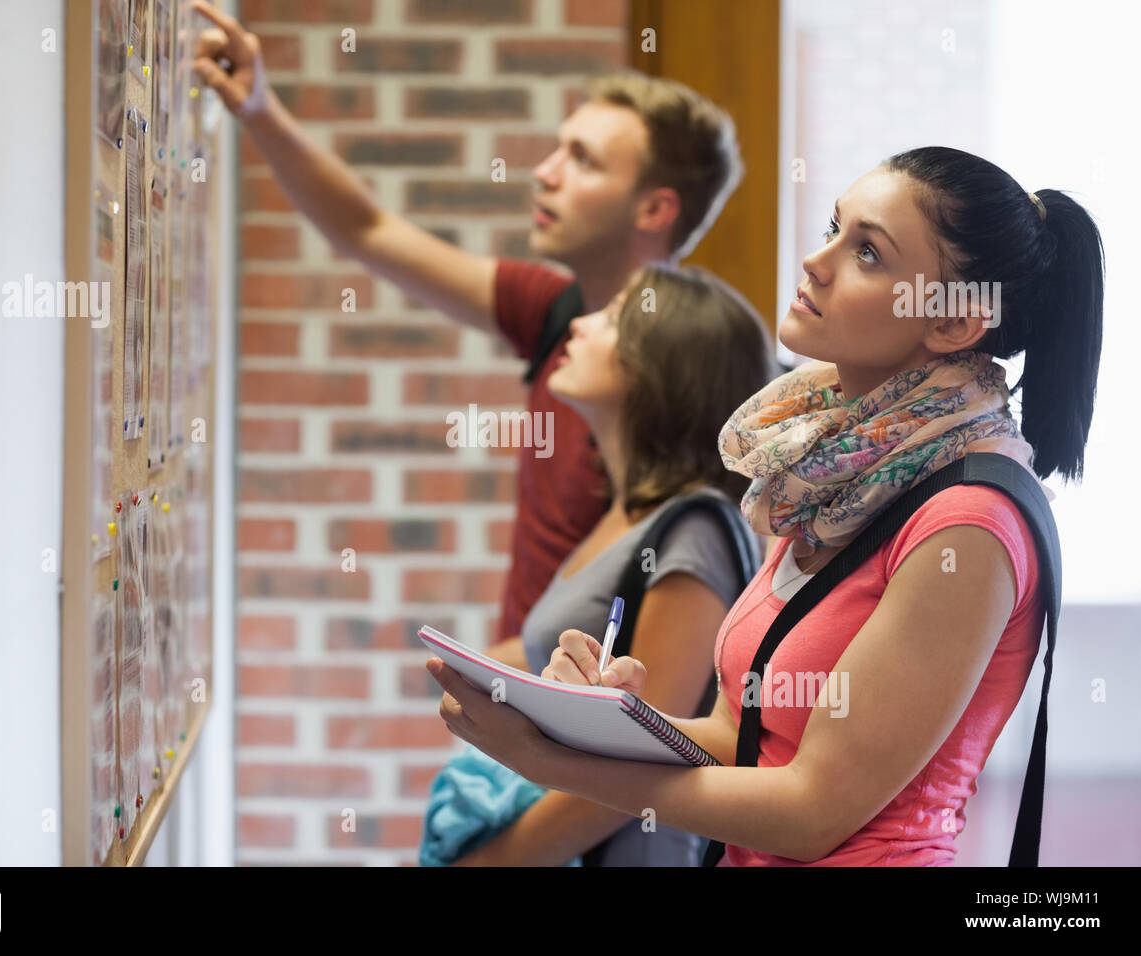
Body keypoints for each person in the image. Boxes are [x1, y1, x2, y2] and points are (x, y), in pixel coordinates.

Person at [429, 146, 1104, 865]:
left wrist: (553, 764)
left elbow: (813, 811)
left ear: (953, 325)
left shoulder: (968, 521)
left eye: (869, 253)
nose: (820, 262)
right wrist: (610, 722)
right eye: (834, 230)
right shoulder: (834, 471)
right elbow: (742, 740)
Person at [189, 1, 744, 659]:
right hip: (520, 712)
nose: (545, 171)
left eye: (583, 160)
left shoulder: (685, 386)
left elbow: (664, 660)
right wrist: (259, 109)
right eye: (556, 149)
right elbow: (368, 229)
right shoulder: (553, 310)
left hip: (561, 730)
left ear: (655, 208)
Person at [446, 263, 776, 866]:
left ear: (662, 362)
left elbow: (636, 769)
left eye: (611, 316)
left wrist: (487, 864)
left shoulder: (693, 527)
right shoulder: (623, 517)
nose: (577, 323)